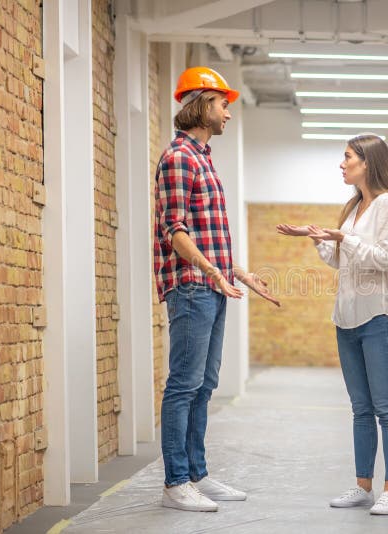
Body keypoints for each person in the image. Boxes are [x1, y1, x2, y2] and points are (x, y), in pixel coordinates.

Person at [154, 66, 279, 512]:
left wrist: (240, 274)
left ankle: (197, 474)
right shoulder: (178, 158)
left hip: (211, 284)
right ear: (203, 104)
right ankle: (175, 483)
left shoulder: (204, 158)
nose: (228, 113)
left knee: (204, 383)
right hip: (191, 287)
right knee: (184, 385)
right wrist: (211, 272)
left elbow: (208, 236)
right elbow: (176, 232)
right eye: (223, 104)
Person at [277, 134, 388, 516]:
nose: (342, 163)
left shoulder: (387, 206)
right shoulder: (355, 207)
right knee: (360, 408)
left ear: (367, 162)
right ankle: (363, 486)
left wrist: (344, 238)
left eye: (348, 157)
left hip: (380, 319)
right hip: (348, 320)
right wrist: (320, 239)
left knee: (386, 408)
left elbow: (386, 259)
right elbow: (346, 259)